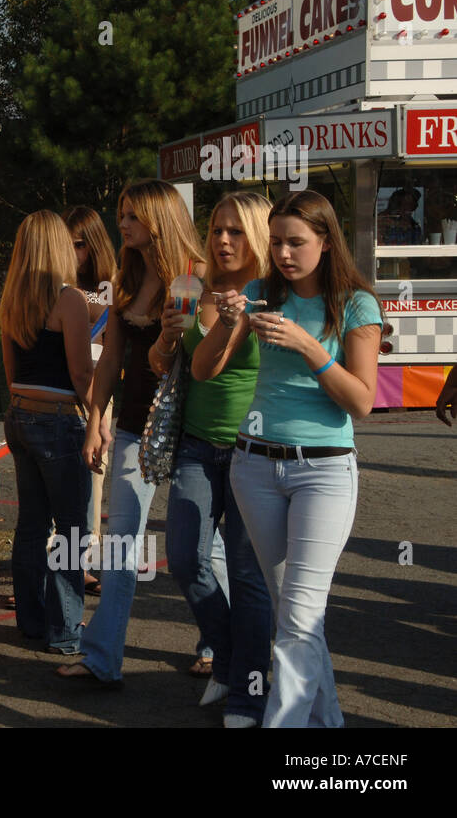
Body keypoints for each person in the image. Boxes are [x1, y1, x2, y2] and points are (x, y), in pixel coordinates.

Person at [195, 191, 382, 727]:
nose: (283, 252)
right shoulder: (258, 293)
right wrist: (228, 322)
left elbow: (362, 402)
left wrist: (311, 347)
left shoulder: (355, 304)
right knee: (295, 616)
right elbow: (204, 370)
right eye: (275, 241)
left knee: (299, 617)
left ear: (326, 242)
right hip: (254, 467)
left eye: (296, 242)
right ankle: (328, 725)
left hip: (323, 470)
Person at [59, 179, 205, 685]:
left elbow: (192, 360)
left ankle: (218, 641)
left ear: (160, 219)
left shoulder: (193, 277)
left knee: (201, 551)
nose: (121, 224)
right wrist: (96, 420)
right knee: (121, 543)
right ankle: (102, 659)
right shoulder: (125, 277)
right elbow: (111, 360)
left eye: (132, 216)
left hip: (193, 429)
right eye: (121, 214)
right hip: (132, 425)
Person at [148, 191, 273, 725]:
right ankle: (227, 659)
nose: (223, 240)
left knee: (246, 574)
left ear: (258, 236)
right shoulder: (187, 286)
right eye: (218, 229)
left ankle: (247, 691)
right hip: (196, 446)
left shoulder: (272, 294)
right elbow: (163, 363)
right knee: (184, 556)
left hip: (252, 449)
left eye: (237, 231)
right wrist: (162, 341)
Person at [0, 211, 95, 654]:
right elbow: (80, 372)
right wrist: (100, 414)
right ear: (59, 248)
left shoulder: (11, 299)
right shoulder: (69, 299)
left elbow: (10, 371)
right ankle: (66, 631)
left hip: (19, 414)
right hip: (58, 419)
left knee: (32, 524)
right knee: (73, 527)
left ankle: (32, 622)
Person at [64, 205, 117, 594]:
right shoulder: (57, 280)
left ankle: (81, 564)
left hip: (99, 388)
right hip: (60, 385)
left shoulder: (113, 283)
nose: (72, 252)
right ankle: (55, 569)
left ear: (93, 244)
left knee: (91, 479)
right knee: (57, 478)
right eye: (66, 244)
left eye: (78, 245)